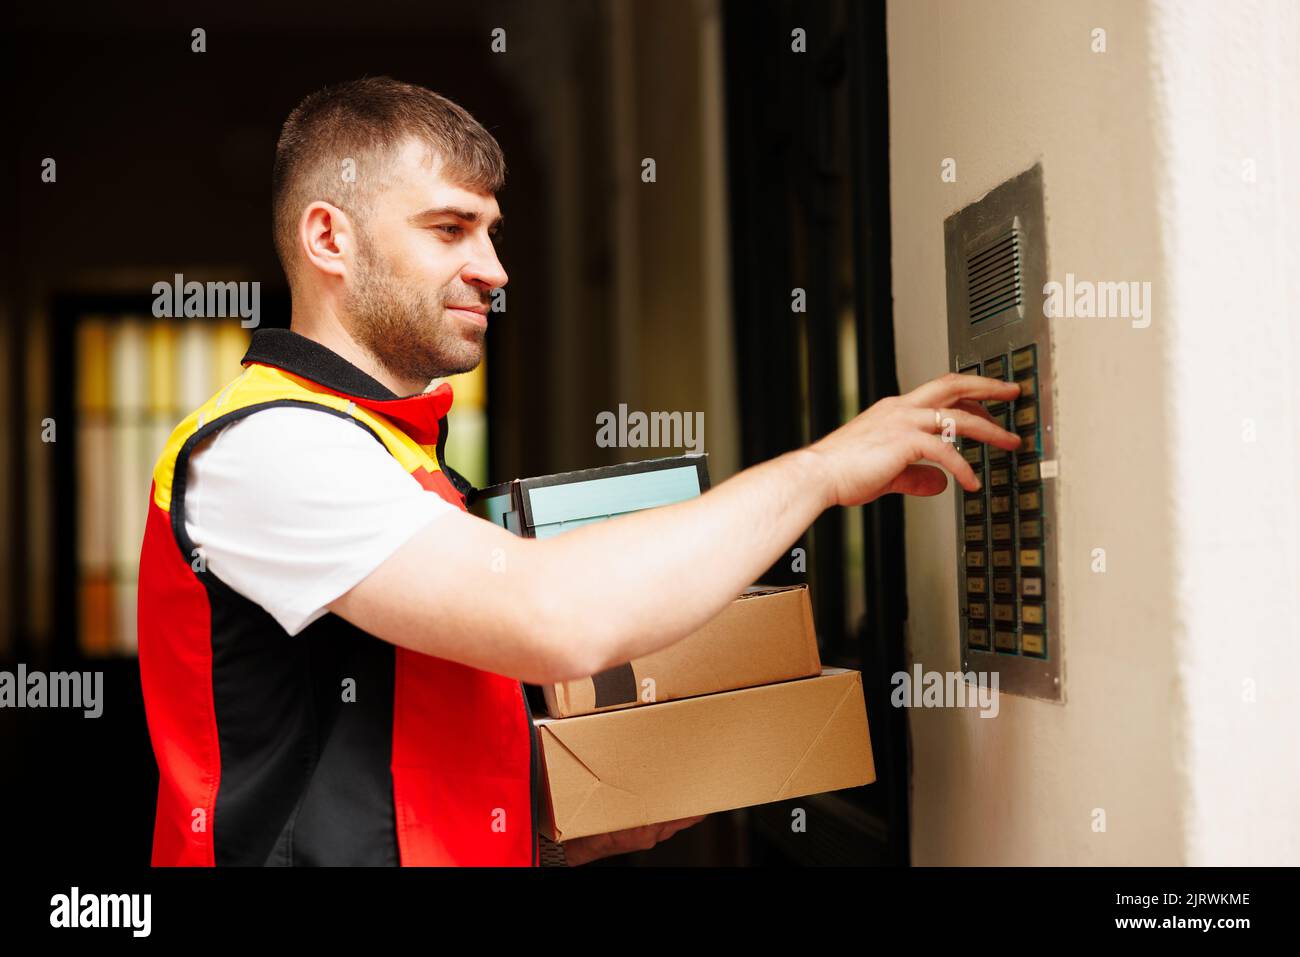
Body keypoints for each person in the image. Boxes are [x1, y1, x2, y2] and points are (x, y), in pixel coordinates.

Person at [136, 76, 1021, 868]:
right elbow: (552, 616)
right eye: (450, 228)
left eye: (491, 231)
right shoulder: (268, 446)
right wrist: (822, 470)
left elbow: (378, 768)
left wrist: (550, 831)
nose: (493, 269)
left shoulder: (388, 445)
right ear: (330, 238)